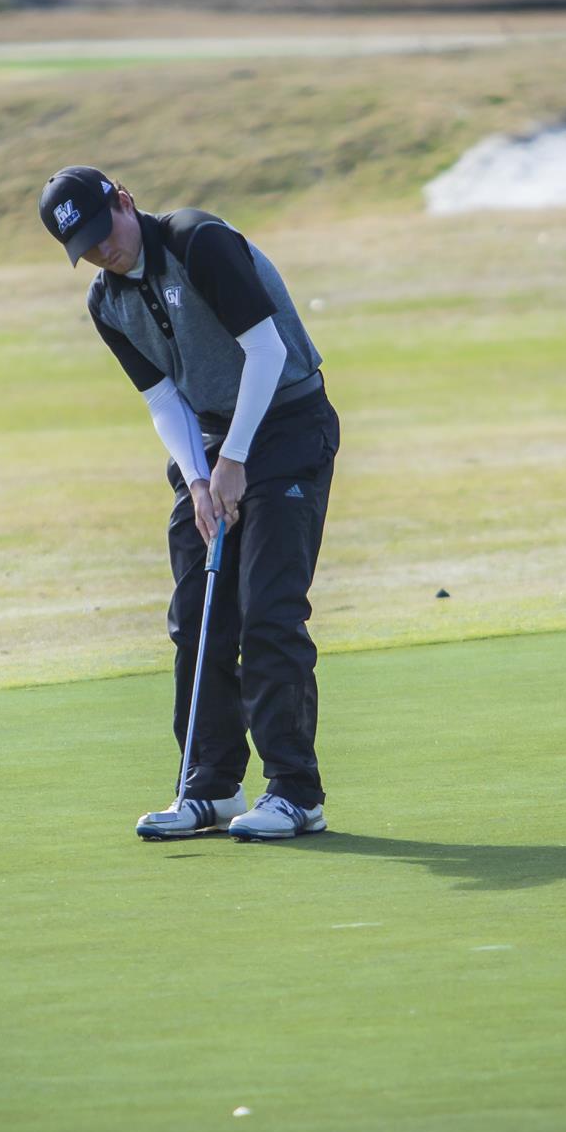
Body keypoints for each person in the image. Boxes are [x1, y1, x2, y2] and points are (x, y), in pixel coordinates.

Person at [38, 166, 340, 841]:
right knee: (199, 615)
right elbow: (161, 398)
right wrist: (200, 479)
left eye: (102, 231)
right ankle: (211, 786)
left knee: (269, 611)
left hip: (287, 425)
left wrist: (234, 460)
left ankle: (297, 792)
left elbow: (265, 350)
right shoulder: (105, 301)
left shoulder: (198, 240)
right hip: (209, 440)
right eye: (84, 246)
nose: (101, 250)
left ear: (125, 201)